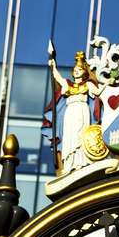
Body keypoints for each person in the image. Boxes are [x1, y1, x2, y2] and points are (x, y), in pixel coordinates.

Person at [46, 44, 103, 175]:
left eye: (79, 69)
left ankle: (81, 162)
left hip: (81, 111)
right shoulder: (67, 84)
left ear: (84, 72)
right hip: (70, 112)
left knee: (80, 135)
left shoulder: (88, 84)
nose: (76, 71)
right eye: (75, 69)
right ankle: (69, 163)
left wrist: (108, 83)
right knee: (69, 137)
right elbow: (57, 77)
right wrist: (53, 65)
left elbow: (99, 92)